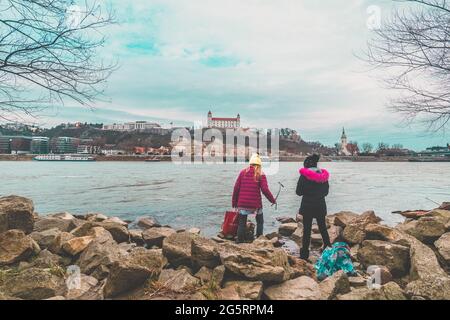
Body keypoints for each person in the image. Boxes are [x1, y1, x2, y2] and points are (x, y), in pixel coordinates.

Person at [232, 153, 277, 243]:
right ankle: (259, 241)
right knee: (260, 221)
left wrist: (234, 203)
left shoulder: (242, 172)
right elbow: (265, 190)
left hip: (242, 204)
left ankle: (239, 242)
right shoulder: (261, 174)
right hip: (255, 205)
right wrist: (273, 200)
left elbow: (236, 188)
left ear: (250, 163)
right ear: (259, 164)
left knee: (241, 224)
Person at [296, 154, 331, 260]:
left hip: (307, 206)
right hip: (320, 205)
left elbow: (298, 192)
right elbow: (326, 192)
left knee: (307, 230)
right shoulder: (323, 176)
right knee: (323, 228)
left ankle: (304, 255)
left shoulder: (304, 176)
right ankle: (329, 249)